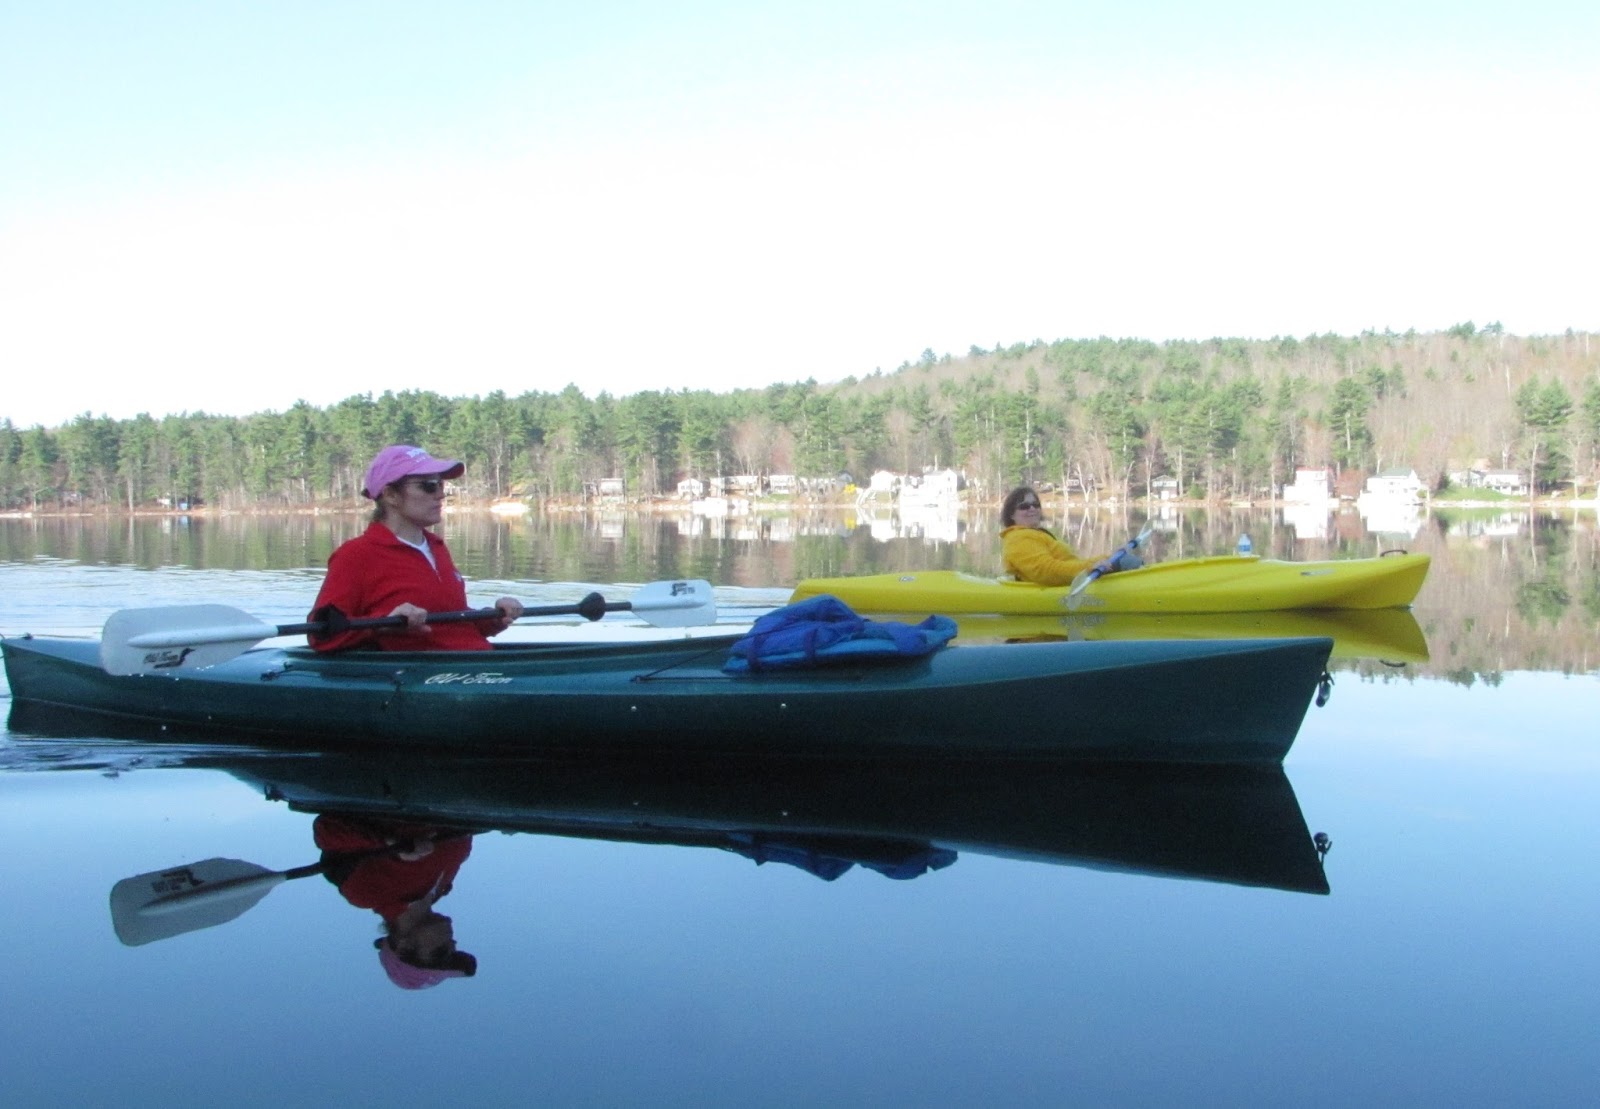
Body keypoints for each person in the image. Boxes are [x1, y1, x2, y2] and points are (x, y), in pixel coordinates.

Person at [308, 444, 524, 652]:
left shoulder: (436, 547)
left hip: (474, 668)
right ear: (391, 495)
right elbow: (321, 635)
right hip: (425, 677)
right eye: (428, 485)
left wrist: (492, 619)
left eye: (441, 485)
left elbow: (451, 623)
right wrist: (384, 623)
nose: (440, 494)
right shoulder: (356, 555)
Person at [314, 813, 479, 990]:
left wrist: (388, 842)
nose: (453, 945)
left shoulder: (366, 894)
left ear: (403, 946)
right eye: (453, 952)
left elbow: (326, 829)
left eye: (439, 953)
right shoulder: (441, 888)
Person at [999, 485, 1141, 586]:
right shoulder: (1018, 539)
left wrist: (1108, 557)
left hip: (1071, 581)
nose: (1032, 509)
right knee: (1128, 562)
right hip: (1056, 588)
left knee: (1123, 559)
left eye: (1035, 505)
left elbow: (1069, 564)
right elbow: (1048, 571)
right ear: (1011, 514)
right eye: (1024, 506)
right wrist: (1088, 568)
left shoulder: (1034, 534)